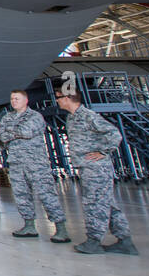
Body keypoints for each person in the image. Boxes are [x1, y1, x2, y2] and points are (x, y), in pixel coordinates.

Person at [56, 92, 137, 255]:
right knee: (108, 204)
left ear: (67, 98)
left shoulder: (88, 116)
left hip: (96, 168)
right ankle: (125, 241)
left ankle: (93, 242)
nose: (56, 101)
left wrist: (104, 152)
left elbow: (114, 134)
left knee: (94, 204)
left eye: (58, 97)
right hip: (87, 167)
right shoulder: (72, 118)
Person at [0, 90, 70, 242]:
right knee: (21, 196)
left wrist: (11, 133)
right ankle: (29, 225)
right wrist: (14, 133)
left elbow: (27, 131)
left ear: (25, 100)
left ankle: (61, 228)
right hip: (16, 163)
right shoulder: (7, 117)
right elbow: (1, 137)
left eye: (17, 98)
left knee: (46, 194)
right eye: (12, 99)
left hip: (36, 163)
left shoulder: (35, 116)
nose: (14, 101)